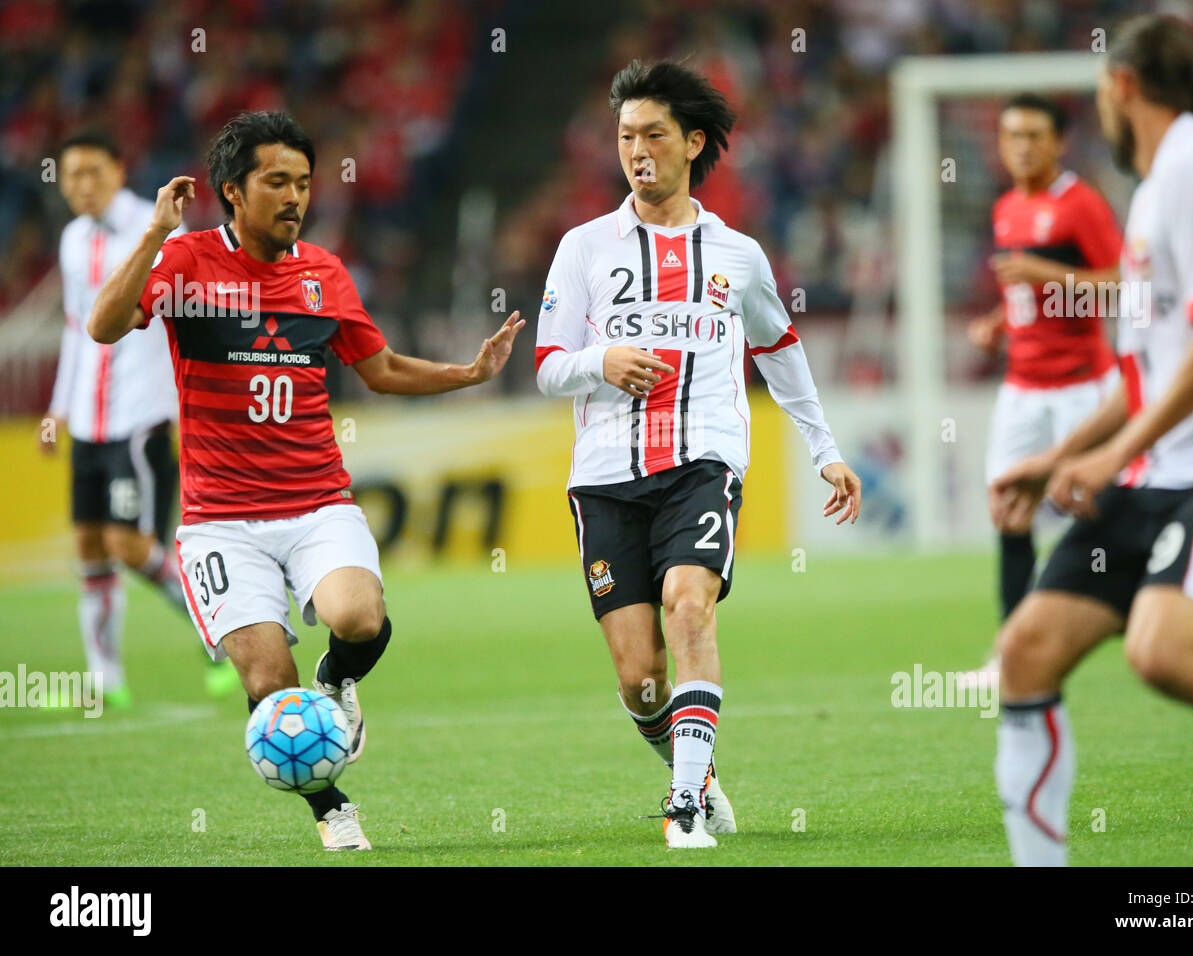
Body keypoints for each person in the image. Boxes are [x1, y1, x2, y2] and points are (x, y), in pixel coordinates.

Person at [87, 111, 524, 851]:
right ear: (232, 190)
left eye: (303, 183)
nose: (295, 197)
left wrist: (470, 373)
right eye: (277, 182)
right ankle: (331, 808)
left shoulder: (323, 272)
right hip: (220, 519)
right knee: (265, 679)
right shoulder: (188, 263)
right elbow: (103, 324)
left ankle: (337, 677)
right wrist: (154, 233)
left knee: (359, 619)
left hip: (317, 500)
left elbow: (379, 368)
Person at [991, 15, 1193, 866]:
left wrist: (1102, 455)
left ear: (1123, 87)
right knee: (1026, 650)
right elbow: (1142, 381)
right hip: (1168, 458)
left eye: (1100, 96)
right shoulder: (1159, 189)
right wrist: (1056, 461)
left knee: (1163, 652)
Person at [535, 61, 862, 849]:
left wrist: (825, 448)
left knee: (691, 602)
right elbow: (547, 366)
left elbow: (779, 348)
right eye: (625, 137)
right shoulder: (582, 248)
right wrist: (598, 362)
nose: (637, 151)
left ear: (693, 143)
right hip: (606, 478)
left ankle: (682, 804)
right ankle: (697, 771)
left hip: (701, 464)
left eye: (653, 135)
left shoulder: (737, 255)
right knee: (639, 678)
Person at [43, 128, 239, 707]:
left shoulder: (158, 228)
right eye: (70, 175)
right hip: (88, 419)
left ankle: (224, 635)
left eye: (91, 173)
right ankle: (105, 681)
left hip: (141, 417)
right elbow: (77, 330)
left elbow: (187, 313)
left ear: (118, 170)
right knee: (90, 547)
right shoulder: (73, 240)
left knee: (132, 545)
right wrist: (58, 407)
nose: (80, 186)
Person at [965, 95, 1124, 684]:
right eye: (1011, 136)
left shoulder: (1081, 205)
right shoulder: (1007, 207)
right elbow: (1027, 298)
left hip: (1083, 386)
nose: (1021, 147)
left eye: (1034, 135)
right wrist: (998, 324)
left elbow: (1121, 288)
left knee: (1106, 511)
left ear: (1059, 142)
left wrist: (1044, 274)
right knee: (1009, 508)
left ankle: (1167, 610)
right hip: (1022, 388)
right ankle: (1012, 656)